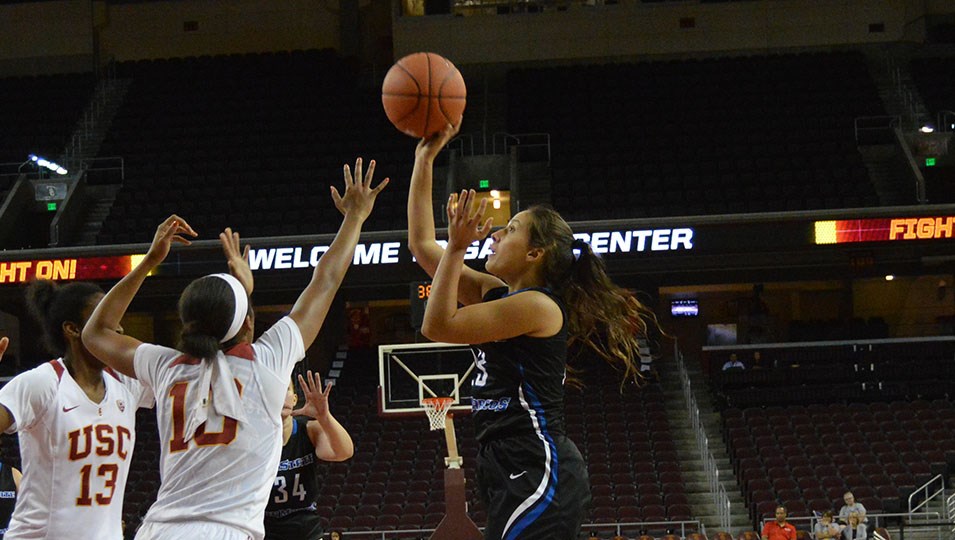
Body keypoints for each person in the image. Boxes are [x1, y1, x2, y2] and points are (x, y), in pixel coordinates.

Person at [82, 158, 387, 540]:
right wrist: (354, 217)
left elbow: (95, 333)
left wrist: (149, 262)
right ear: (247, 322)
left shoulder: (165, 366)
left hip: (158, 530)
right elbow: (326, 278)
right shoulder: (268, 361)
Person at [408, 124, 656, 540]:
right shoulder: (498, 294)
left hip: (538, 467)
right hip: (504, 463)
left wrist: (456, 248)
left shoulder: (538, 307)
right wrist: (424, 161)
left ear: (534, 253)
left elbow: (437, 326)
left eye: (511, 228)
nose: (497, 233)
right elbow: (419, 245)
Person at [0, 281, 153, 539]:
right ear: (72, 329)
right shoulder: (42, 383)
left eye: (116, 318)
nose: (118, 327)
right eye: (104, 317)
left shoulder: (126, 383)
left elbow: (192, 382)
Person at [264, 371, 354, 540]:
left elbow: (343, 452)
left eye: (287, 389)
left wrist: (324, 417)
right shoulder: (253, 439)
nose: (282, 394)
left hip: (306, 529)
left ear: (295, 399)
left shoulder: (310, 429)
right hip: (265, 529)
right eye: (276, 389)